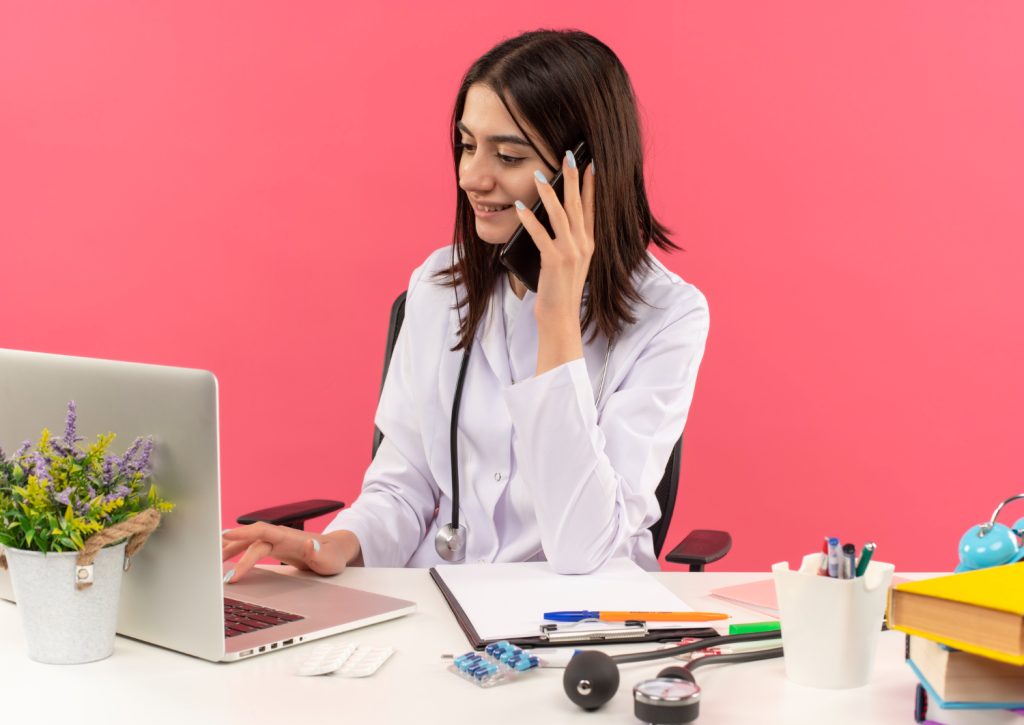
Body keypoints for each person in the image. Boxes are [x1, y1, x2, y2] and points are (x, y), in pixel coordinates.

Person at [222, 29, 709, 581]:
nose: (471, 177)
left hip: (578, 621)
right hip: (438, 602)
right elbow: (402, 483)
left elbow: (583, 551)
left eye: (507, 155)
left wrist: (556, 318)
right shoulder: (438, 284)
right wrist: (339, 545)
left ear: (587, 170)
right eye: (467, 144)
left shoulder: (668, 316)